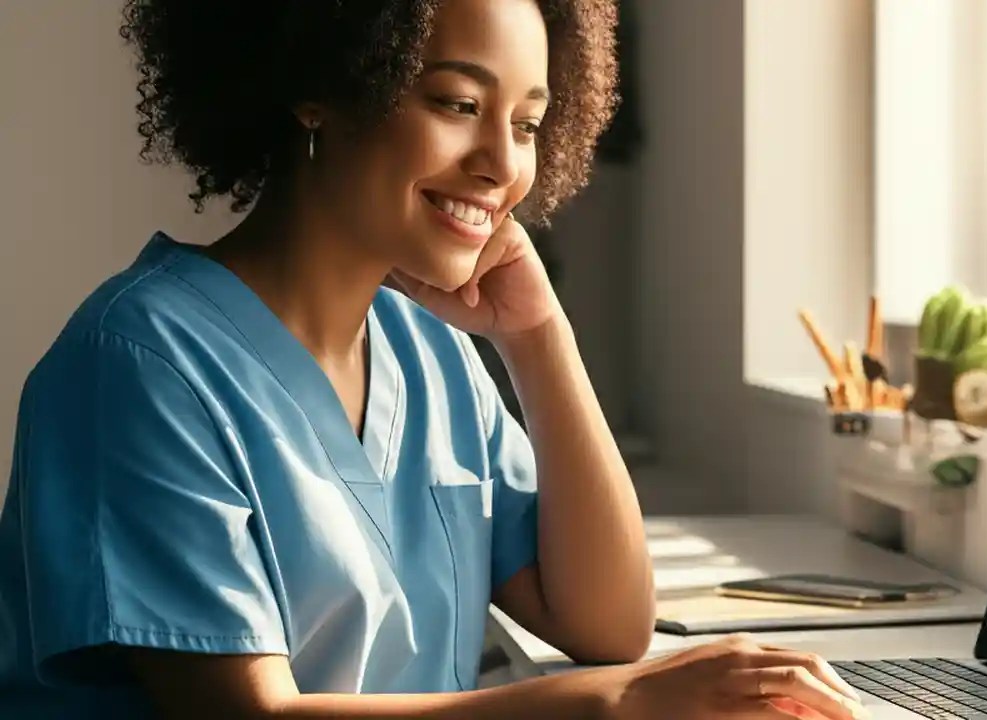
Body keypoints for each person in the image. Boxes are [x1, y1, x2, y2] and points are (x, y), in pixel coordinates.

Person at [0, 1, 869, 719]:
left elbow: (607, 624)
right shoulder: (136, 363)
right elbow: (250, 717)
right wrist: (616, 704)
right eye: (458, 104)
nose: (502, 164)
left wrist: (538, 339)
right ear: (321, 88)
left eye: (528, 124)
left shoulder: (432, 357)